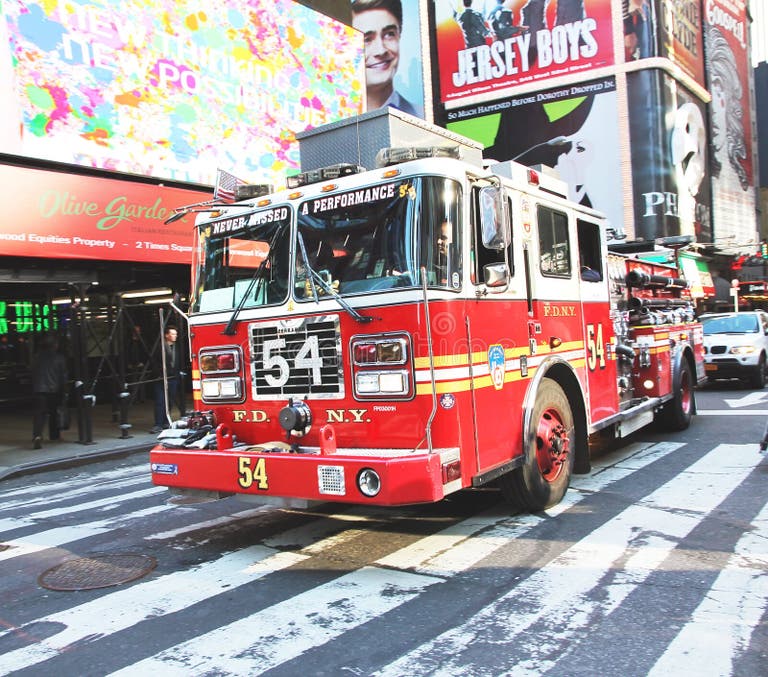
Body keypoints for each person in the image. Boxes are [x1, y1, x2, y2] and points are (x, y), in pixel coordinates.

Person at [351, 0, 417, 115]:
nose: (381, 51)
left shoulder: (422, 116)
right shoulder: (328, 119)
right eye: (367, 39)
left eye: (389, 34)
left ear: (399, 35)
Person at [31, 334, 68, 449]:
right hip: (54, 390)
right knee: (54, 412)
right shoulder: (59, 358)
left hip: (38, 389)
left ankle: (37, 435)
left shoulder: (36, 357)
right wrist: (65, 390)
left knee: (39, 413)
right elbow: (63, 376)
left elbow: (32, 372)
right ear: (54, 345)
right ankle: (54, 435)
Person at [151, 325, 185, 433]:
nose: (175, 336)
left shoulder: (176, 347)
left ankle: (165, 421)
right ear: (166, 335)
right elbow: (155, 362)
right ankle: (158, 423)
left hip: (173, 377)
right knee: (160, 401)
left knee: (170, 401)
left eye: (176, 334)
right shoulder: (160, 347)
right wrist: (159, 374)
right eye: (173, 334)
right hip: (161, 377)